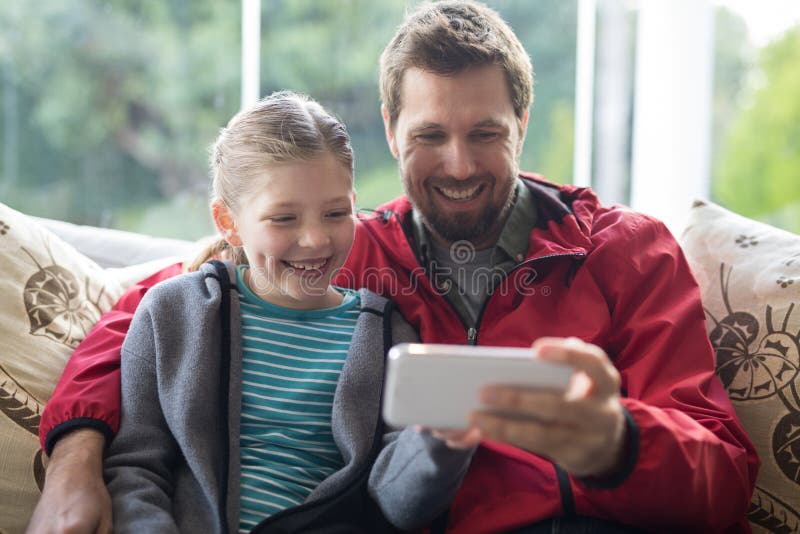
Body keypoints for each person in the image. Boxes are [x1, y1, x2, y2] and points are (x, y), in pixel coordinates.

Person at [29, 2, 758, 533]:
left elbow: (723, 481)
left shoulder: (625, 251)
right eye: (430, 134)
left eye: (486, 133)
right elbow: (148, 310)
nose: (460, 164)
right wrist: (73, 461)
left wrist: (617, 442)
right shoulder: (344, 251)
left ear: (523, 126)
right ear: (390, 130)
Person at [80, 91, 475, 533]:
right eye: (284, 219)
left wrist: (440, 445)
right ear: (228, 222)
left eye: (335, 213)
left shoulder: (388, 335)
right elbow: (136, 469)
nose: (315, 240)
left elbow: (396, 501)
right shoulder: (172, 312)